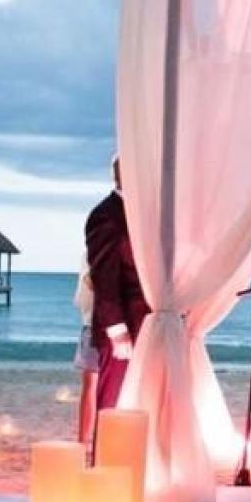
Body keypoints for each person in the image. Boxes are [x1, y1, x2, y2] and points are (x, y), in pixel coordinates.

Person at [85, 156, 149, 420]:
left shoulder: (143, 213)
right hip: (122, 327)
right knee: (114, 399)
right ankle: (107, 457)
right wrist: (116, 329)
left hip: (148, 321)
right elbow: (104, 276)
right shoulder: (106, 214)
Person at [72, 253, 99, 444]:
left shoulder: (89, 253)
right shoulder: (91, 254)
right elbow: (89, 282)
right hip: (95, 324)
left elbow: (81, 299)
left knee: (91, 385)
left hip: (94, 323)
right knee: (91, 384)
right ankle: (84, 439)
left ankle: (84, 439)